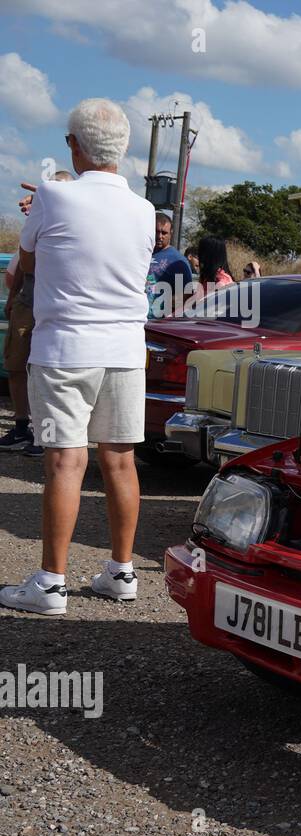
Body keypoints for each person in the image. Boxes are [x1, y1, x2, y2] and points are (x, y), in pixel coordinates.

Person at [0, 99, 155, 616]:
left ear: (74, 145)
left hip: (65, 348)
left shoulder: (51, 196)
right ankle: (122, 571)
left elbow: (24, 263)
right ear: (123, 149)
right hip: (126, 349)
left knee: (65, 461)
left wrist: (42, 207)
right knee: (120, 458)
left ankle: (49, 584)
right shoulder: (145, 209)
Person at [1, 170, 75, 458]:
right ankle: (21, 426)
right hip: (27, 302)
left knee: (47, 373)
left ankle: (45, 435)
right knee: (16, 365)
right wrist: (13, 296)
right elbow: (24, 260)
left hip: (56, 307)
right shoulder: (40, 216)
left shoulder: (76, 219)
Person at [146, 211, 191, 318]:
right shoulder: (142, 252)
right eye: (156, 231)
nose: (159, 236)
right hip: (135, 318)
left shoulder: (178, 262)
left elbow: (186, 296)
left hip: (157, 323)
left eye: (164, 233)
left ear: (171, 233)